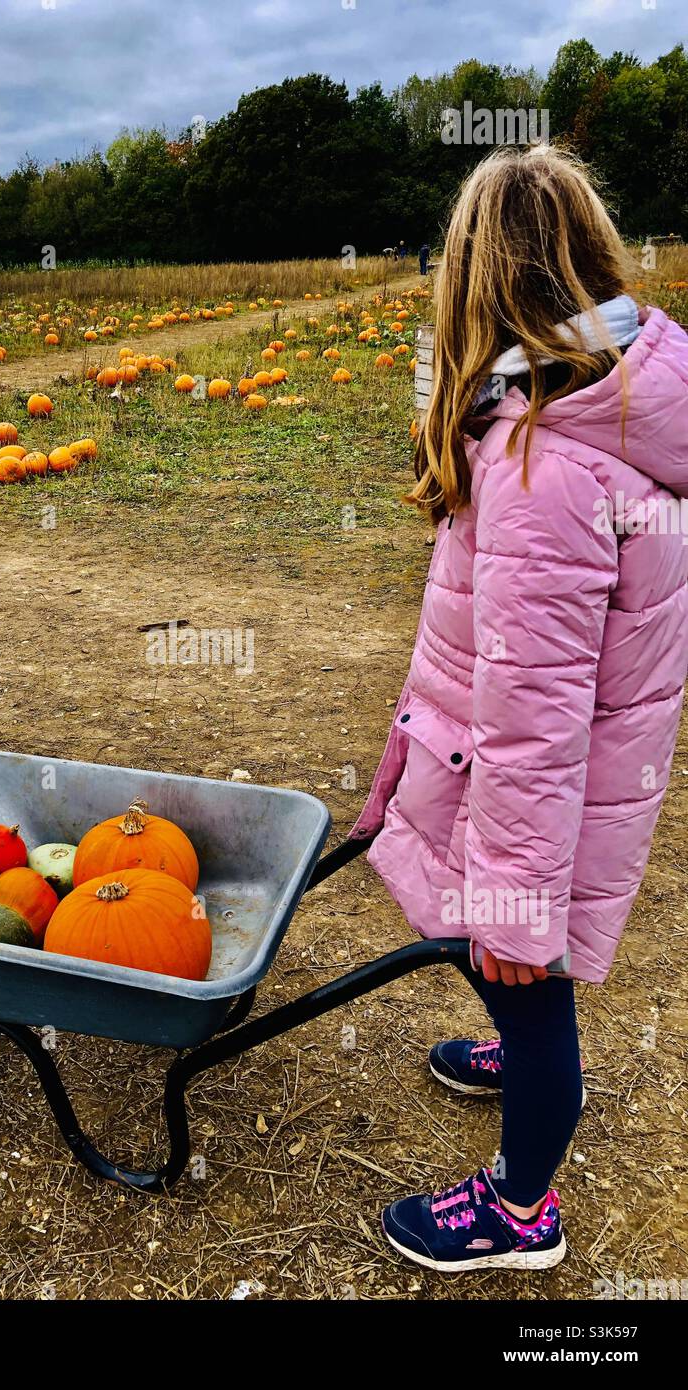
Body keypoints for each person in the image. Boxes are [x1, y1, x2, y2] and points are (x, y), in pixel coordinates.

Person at [351, 145, 688, 1272]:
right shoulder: (604, 402)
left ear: (476, 286)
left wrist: (512, 903)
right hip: (543, 768)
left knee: (523, 972)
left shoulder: (543, 466)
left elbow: (537, 721)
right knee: (501, 950)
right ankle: (519, 1039)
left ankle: (519, 1212)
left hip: (542, 790)